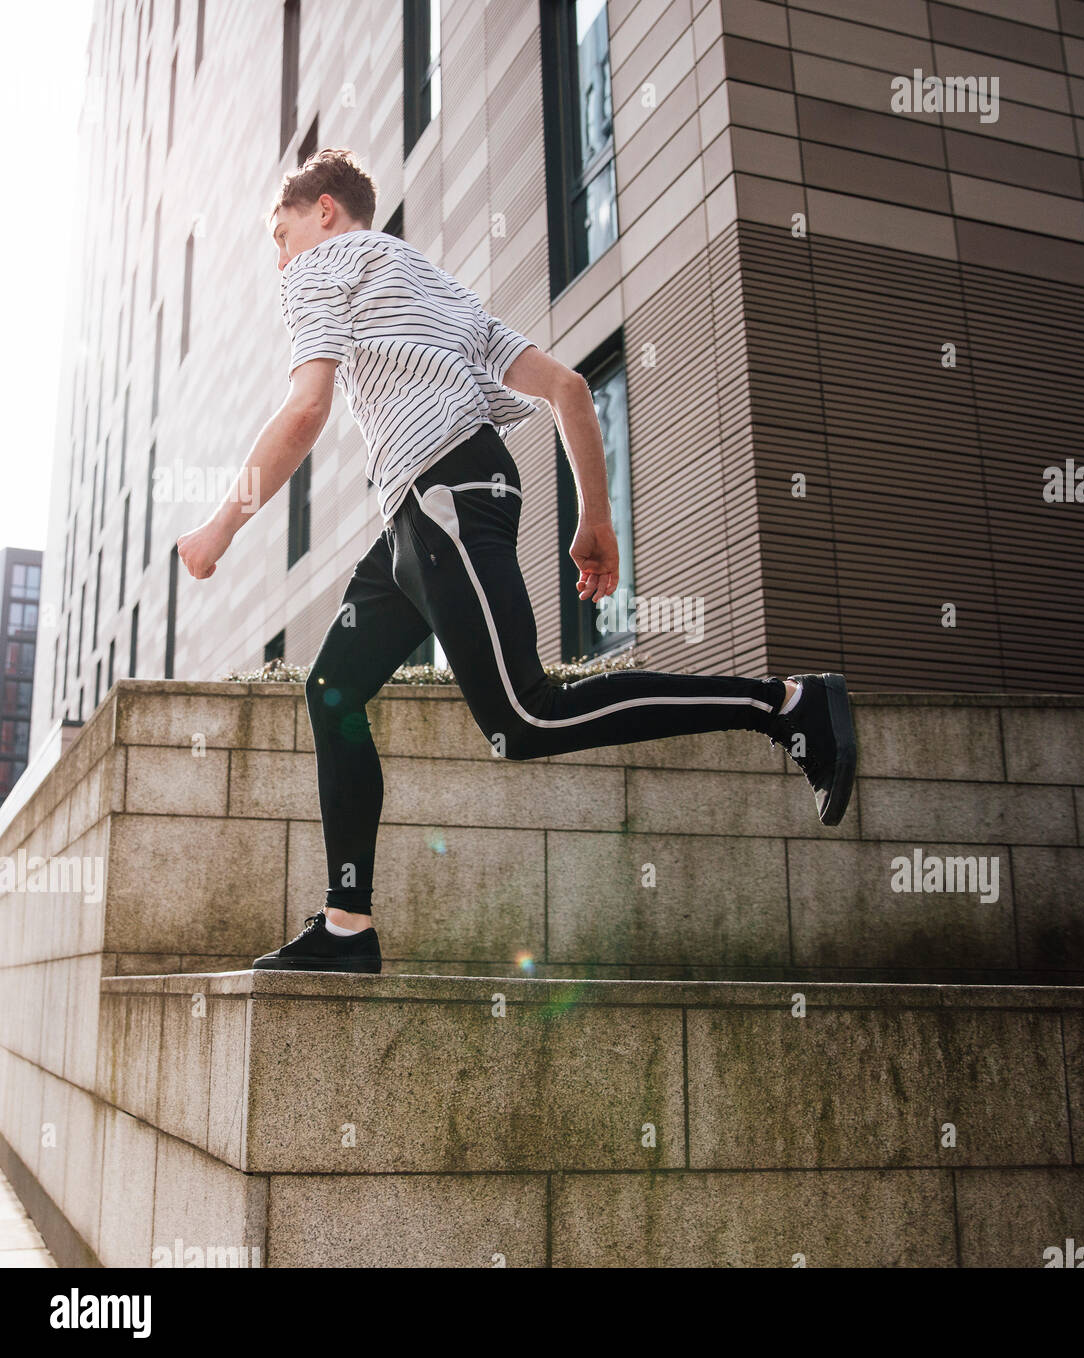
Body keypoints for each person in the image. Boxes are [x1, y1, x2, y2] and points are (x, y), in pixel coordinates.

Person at [177, 148, 856, 974]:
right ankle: (346, 927)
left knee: (525, 718)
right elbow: (568, 387)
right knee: (333, 690)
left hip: (443, 496)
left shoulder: (322, 267)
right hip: (429, 510)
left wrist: (221, 528)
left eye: (280, 237)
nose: (279, 260)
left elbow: (307, 408)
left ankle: (785, 705)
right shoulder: (432, 284)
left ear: (323, 212)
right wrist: (595, 520)